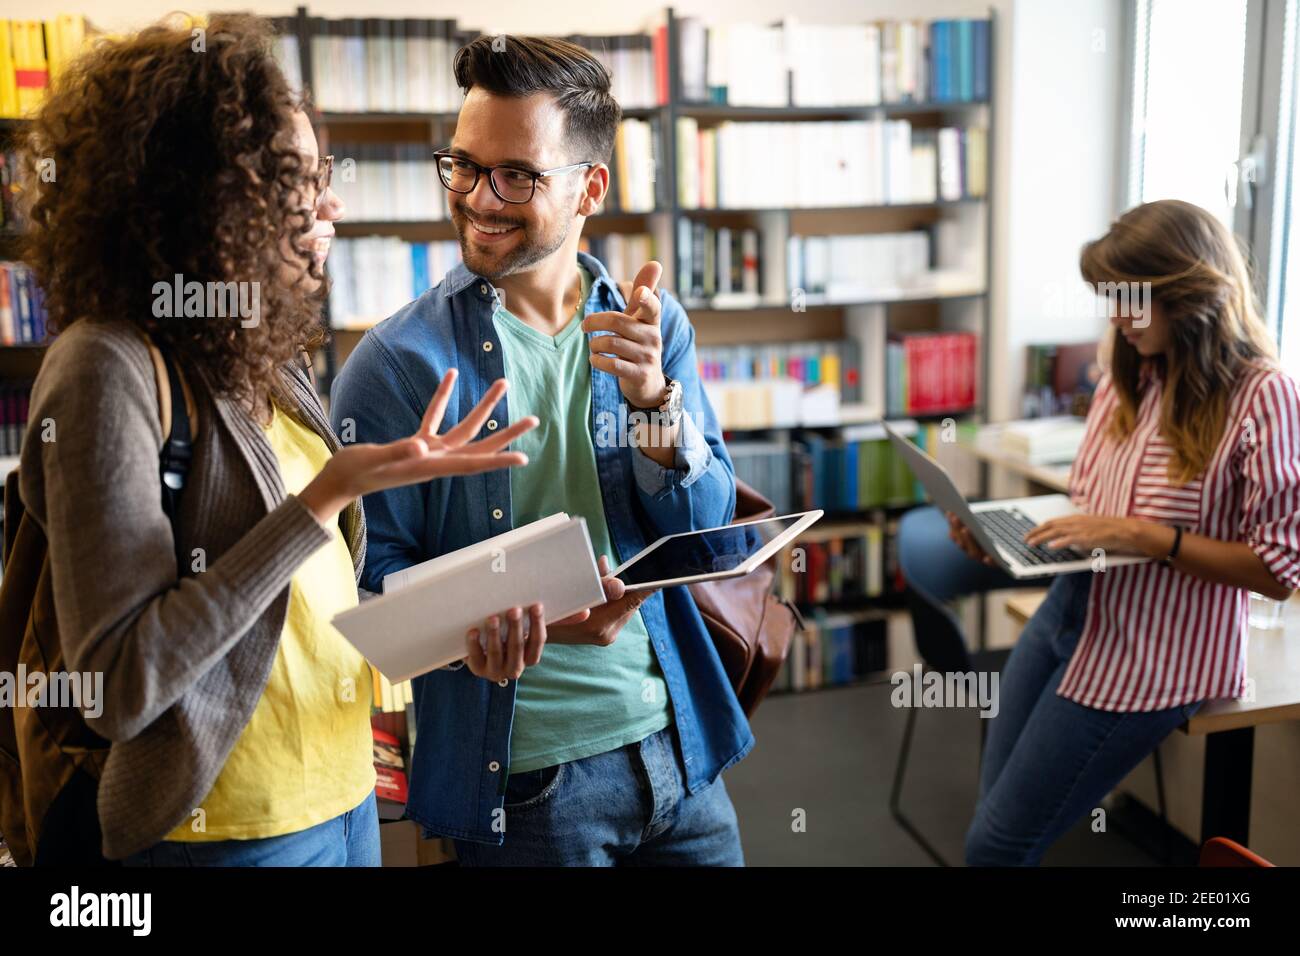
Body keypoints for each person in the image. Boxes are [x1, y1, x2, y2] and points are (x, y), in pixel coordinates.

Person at [17, 15, 540, 866]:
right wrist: (326, 495)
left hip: (345, 801)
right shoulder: (103, 369)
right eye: (295, 177)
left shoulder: (259, 356)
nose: (332, 203)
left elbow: (307, 614)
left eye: (321, 171)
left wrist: (457, 634)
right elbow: (117, 685)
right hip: (221, 833)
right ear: (203, 200)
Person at [331, 34, 751, 866]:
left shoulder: (648, 327)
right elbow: (370, 593)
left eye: (517, 174)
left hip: (681, 750)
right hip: (526, 787)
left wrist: (656, 408)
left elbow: (712, 530)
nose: (480, 198)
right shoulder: (395, 366)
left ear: (591, 185)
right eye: (463, 166)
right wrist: (503, 623)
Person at [903, 199, 1300, 865]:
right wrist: (1007, 548)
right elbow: (1096, 520)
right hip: (1072, 615)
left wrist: (1152, 539)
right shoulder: (1133, 376)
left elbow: (1278, 570)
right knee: (995, 814)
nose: (1114, 318)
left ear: (1188, 294)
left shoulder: (1264, 394)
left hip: (1156, 655)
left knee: (994, 847)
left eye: (1129, 300)